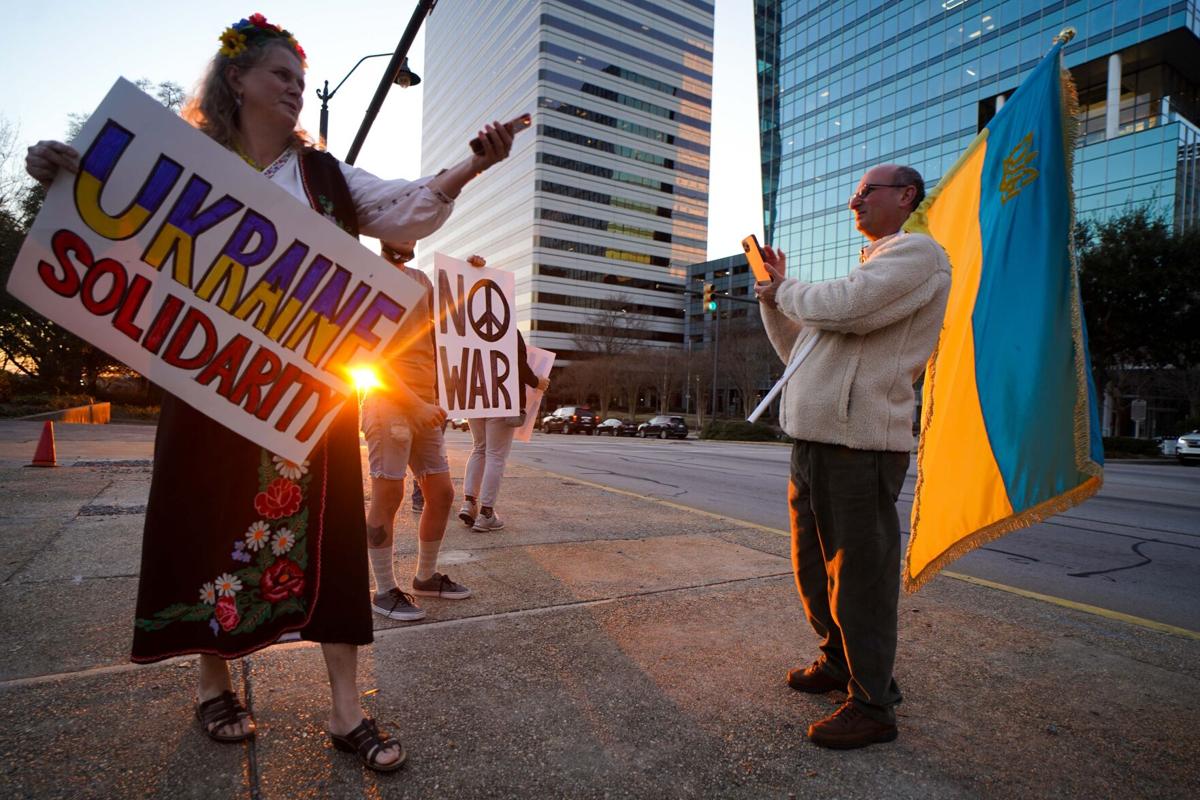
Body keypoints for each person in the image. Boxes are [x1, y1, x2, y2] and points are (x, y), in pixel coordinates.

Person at [25, 13, 513, 772]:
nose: (292, 90)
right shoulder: (182, 162)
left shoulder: (323, 176)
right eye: (281, 76)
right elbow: (105, 206)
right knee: (205, 529)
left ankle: (348, 712)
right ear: (237, 81)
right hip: (208, 387)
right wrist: (57, 165)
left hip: (307, 400)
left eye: (297, 79)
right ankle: (214, 687)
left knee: (331, 547)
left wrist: (472, 166)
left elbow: (405, 204)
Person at [754, 164, 950, 750]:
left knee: (860, 579)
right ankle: (838, 663)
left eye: (866, 191)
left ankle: (872, 703)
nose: (853, 202)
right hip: (814, 441)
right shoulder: (864, 272)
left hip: (860, 447)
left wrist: (788, 290)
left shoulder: (917, 255)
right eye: (856, 193)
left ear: (906, 196)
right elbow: (800, 349)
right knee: (814, 571)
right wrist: (773, 294)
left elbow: (847, 307)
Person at [362, 239, 467, 624]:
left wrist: (472, 276)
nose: (408, 239)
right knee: (388, 494)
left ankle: (424, 577)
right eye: (401, 230)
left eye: (413, 232)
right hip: (389, 401)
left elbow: (453, 326)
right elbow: (369, 355)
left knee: (441, 492)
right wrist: (414, 403)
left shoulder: (421, 280)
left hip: (426, 403)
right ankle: (384, 589)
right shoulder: (369, 275)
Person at [457, 260, 548, 531]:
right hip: (501, 398)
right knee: (496, 455)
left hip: (474, 395)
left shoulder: (466, 326)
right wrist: (538, 382)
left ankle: (468, 503)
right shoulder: (507, 329)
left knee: (479, 448)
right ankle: (486, 513)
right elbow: (519, 366)